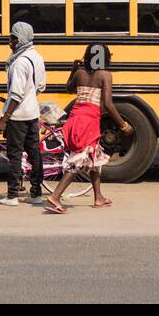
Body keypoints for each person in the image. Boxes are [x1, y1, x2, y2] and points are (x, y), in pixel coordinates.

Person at [46, 43, 132, 214]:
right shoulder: (105, 75)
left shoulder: (79, 73)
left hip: (76, 117)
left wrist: (73, 69)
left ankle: (98, 197)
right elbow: (108, 104)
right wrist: (123, 124)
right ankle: (55, 196)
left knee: (92, 158)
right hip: (89, 121)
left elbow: (68, 89)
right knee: (78, 160)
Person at [0, 21, 47, 207]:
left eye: (12, 38)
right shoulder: (37, 57)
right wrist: (30, 98)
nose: (9, 41)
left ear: (19, 40)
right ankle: (36, 193)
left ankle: (12, 195)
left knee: (15, 155)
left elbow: (16, 94)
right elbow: (40, 86)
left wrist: (4, 118)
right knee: (35, 154)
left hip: (17, 116)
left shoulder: (19, 63)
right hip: (33, 113)